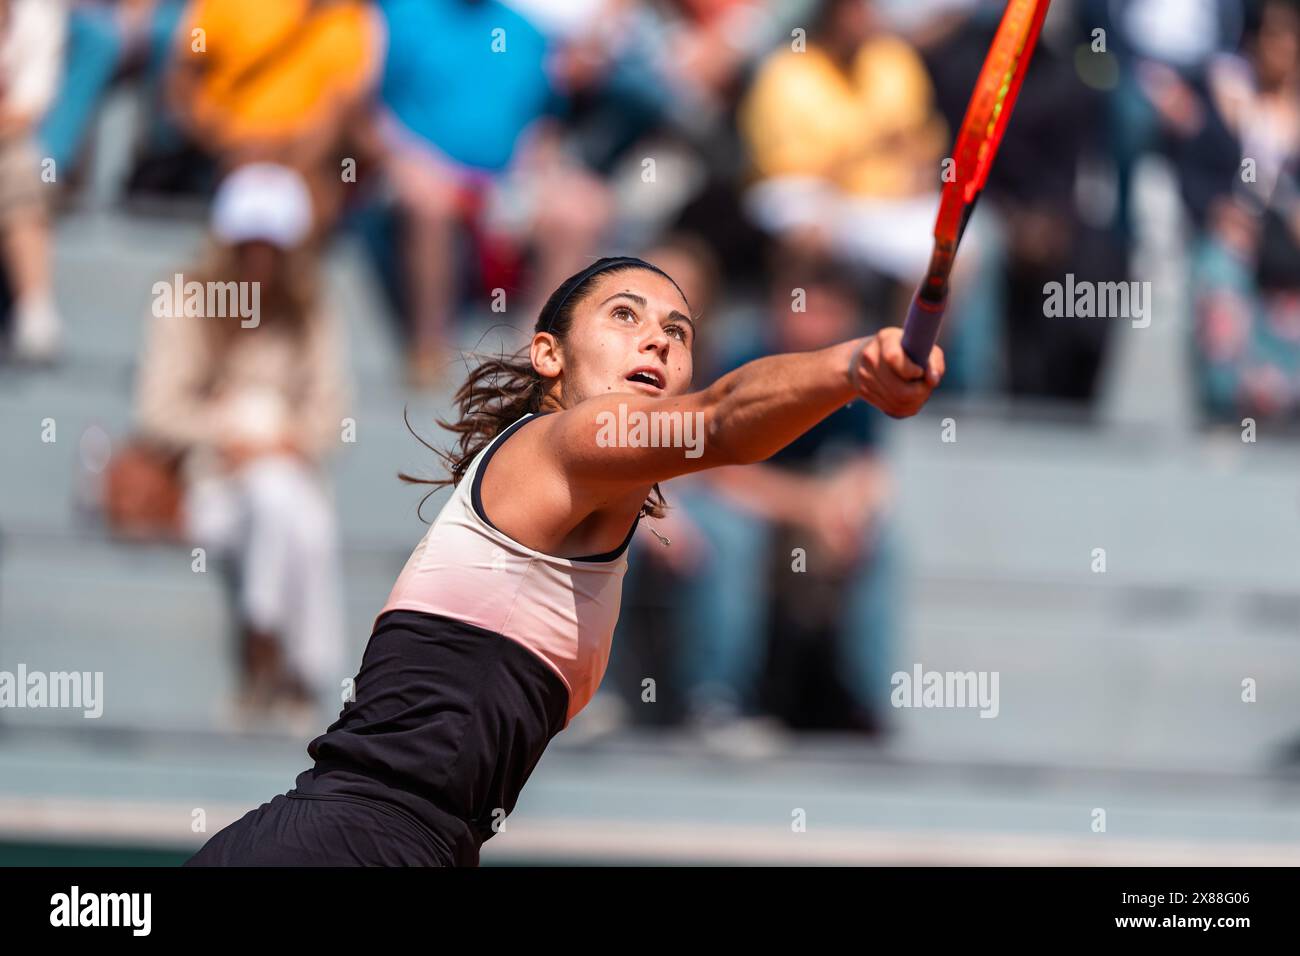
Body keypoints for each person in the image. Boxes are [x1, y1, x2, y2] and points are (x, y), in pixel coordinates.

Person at [185, 254, 944, 866]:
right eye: (625, 316)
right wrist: (850, 367)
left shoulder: (589, 518)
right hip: (344, 844)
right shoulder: (563, 445)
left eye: (678, 333)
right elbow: (718, 421)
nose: (657, 340)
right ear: (548, 354)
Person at [134, 163, 352, 731]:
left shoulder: (312, 308)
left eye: (271, 246)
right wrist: (236, 430)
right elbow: (157, 411)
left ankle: (267, 648)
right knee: (299, 513)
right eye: (247, 245)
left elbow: (329, 415)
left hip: (283, 481)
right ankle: (300, 674)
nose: (258, 260)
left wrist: (277, 439)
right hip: (206, 489)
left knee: (293, 508)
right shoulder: (186, 298)